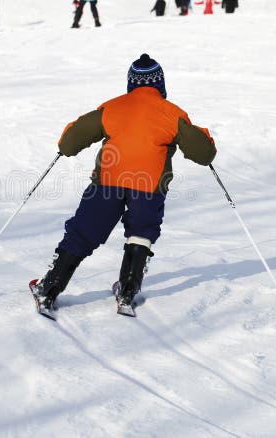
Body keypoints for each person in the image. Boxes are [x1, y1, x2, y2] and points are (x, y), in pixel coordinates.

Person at [30, 53, 217, 315]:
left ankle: (48, 289)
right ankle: (128, 292)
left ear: (131, 83)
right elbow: (203, 154)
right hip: (150, 185)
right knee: (141, 231)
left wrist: (67, 145)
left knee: (84, 231)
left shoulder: (115, 107)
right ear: (160, 84)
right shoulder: (172, 114)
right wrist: (205, 138)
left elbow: (70, 142)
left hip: (108, 181)